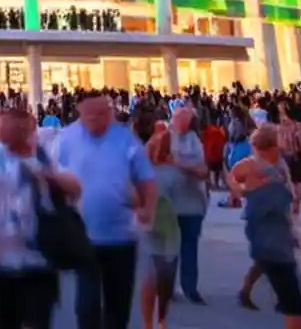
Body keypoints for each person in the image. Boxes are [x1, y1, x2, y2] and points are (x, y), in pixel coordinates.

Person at [0, 107, 79, 329]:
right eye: (3, 126)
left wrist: (50, 178)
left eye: (16, 127)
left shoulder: (44, 158)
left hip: (40, 263)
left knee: (37, 322)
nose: (6, 132)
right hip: (0, 265)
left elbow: (75, 189)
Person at [56, 95, 155, 329]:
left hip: (122, 235)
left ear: (110, 112)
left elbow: (146, 178)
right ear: (80, 112)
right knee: (87, 305)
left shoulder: (126, 139)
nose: (96, 119)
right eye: (90, 114)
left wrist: (147, 208)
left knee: (118, 303)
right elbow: (52, 177)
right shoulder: (65, 139)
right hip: (83, 235)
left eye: (102, 113)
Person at [229, 125, 301, 329]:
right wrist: (243, 191)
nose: (283, 144)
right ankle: (253, 292)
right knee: (270, 263)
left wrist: (292, 211)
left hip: (277, 228)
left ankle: (252, 292)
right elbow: (233, 178)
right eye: (279, 140)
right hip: (264, 228)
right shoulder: (252, 165)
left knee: (267, 262)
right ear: (269, 145)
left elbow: (287, 184)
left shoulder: (279, 163)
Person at [166, 106, 209, 305]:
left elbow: (202, 171)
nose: (179, 122)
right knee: (170, 249)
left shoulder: (195, 141)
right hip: (170, 203)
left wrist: (180, 165)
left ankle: (190, 288)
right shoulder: (165, 139)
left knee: (189, 247)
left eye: (184, 119)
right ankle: (167, 288)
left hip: (192, 203)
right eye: (176, 118)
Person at [142, 132, 182, 329]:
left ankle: (150, 322)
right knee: (164, 275)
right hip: (168, 226)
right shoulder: (173, 173)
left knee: (150, 275)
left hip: (148, 223)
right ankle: (161, 320)